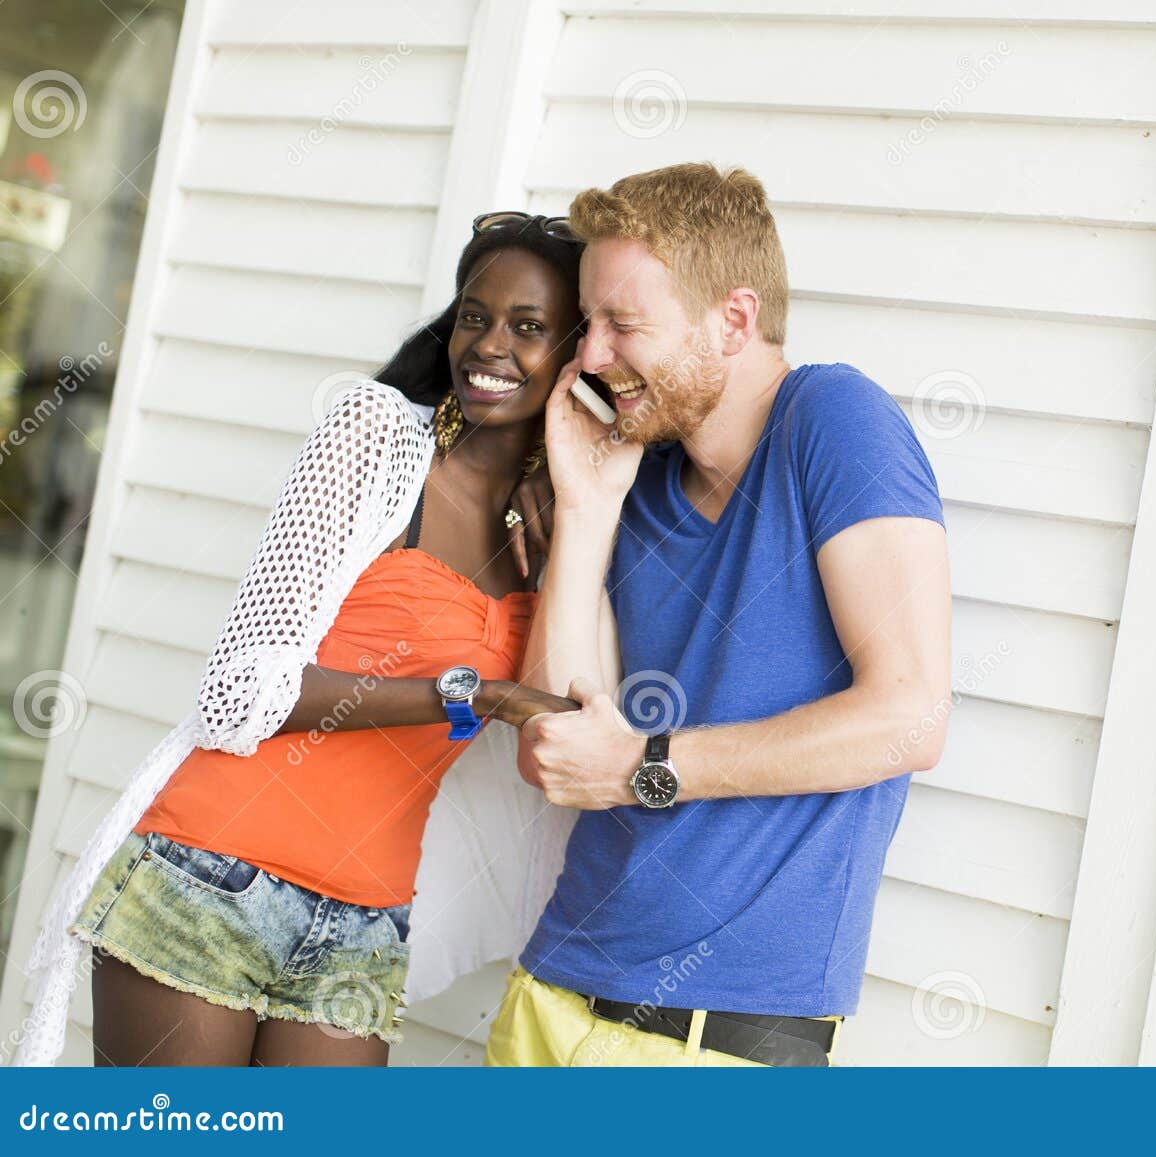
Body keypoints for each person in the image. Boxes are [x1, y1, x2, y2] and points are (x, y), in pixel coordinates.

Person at [19, 213, 586, 1066]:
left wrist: (583, 504)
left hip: (366, 919)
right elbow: (238, 690)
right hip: (211, 877)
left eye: (530, 327)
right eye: (476, 316)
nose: (490, 346)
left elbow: (563, 720)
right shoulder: (377, 437)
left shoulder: (549, 529)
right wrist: (473, 696)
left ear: (578, 352)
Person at [488, 164, 952, 1067]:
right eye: (589, 326)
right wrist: (585, 506)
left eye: (624, 325)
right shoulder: (638, 471)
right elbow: (556, 746)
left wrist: (642, 768)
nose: (590, 358)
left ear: (733, 320)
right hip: (551, 996)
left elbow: (910, 715)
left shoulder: (833, 418)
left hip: (721, 1043)